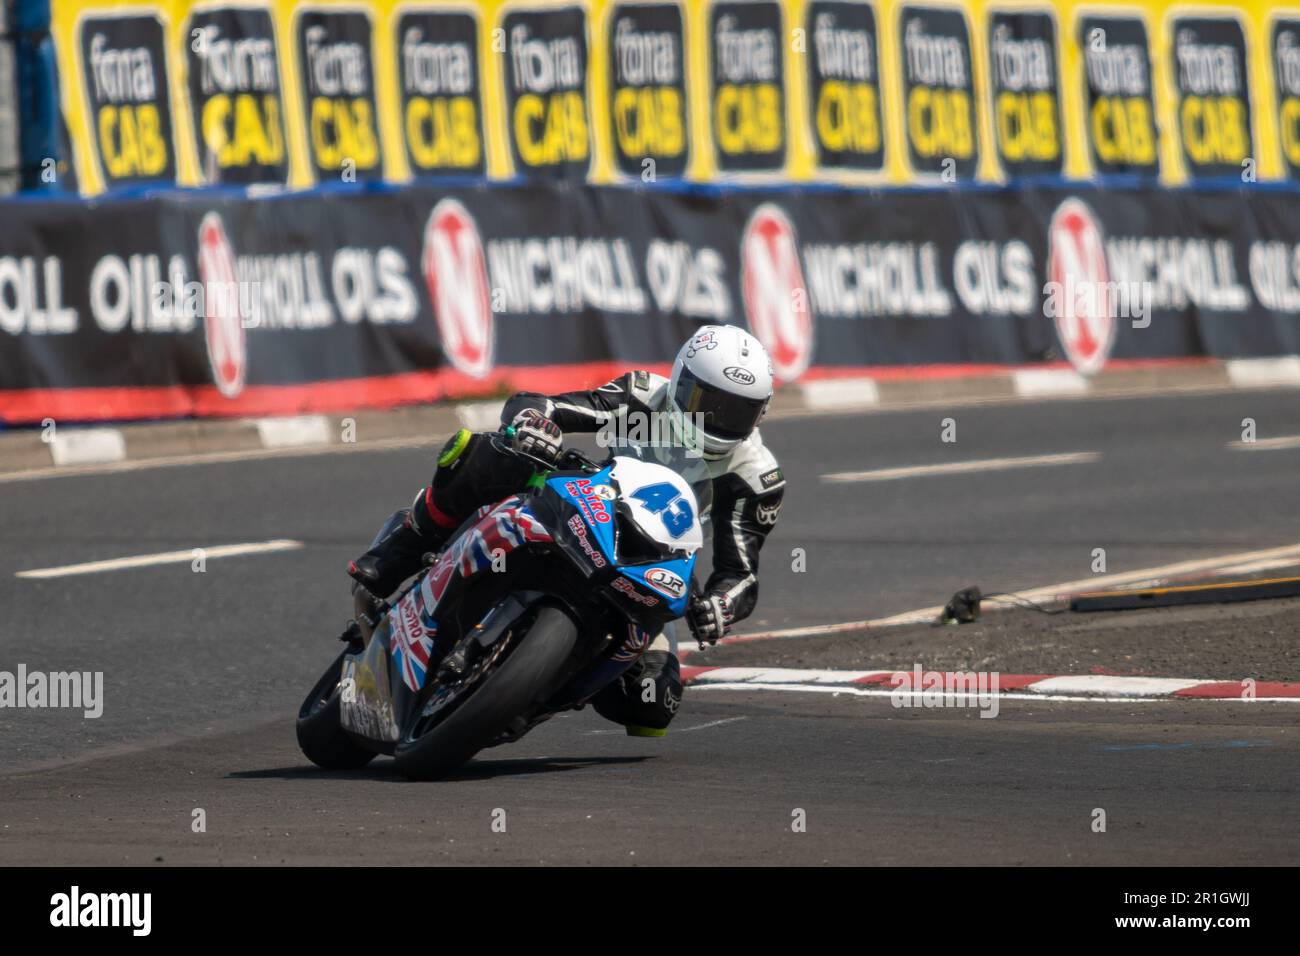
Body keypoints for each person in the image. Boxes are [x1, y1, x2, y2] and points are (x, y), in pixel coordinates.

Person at [349, 325, 786, 735]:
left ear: (760, 414)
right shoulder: (644, 397)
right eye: (705, 401)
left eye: (736, 412)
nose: (714, 420)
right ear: (680, 382)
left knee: (652, 707)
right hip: (588, 504)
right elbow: (545, 404)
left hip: (652, 562)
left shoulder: (755, 476)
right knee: (498, 451)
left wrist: (719, 606)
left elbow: (741, 572)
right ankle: (400, 550)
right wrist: (534, 425)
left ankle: (532, 696)